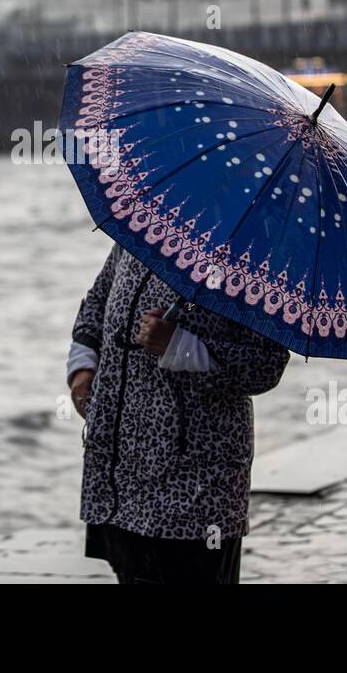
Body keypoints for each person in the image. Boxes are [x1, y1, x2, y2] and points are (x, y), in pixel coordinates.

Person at [67, 242, 290, 584]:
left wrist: (180, 347)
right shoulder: (148, 222)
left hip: (196, 488)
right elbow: (97, 300)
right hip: (120, 477)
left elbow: (265, 364)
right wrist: (83, 368)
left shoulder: (254, 254)